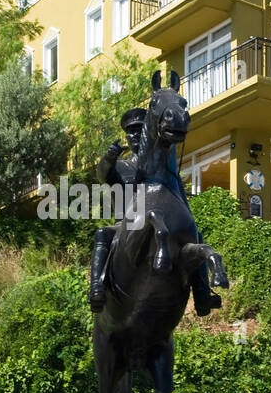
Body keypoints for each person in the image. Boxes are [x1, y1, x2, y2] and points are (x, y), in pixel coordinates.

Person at [88, 106, 221, 316]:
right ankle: (97, 288)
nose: (134, 136)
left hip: (164, 224)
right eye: (130, 132)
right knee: (103, 234)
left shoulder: (163, 174)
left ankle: (202, 296)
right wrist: (109, 158)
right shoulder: (121, 167)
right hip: (127, 225)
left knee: (197, 239)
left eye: (139, 130)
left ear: (147, 134)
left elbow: (182, 204)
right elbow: (102, 174)